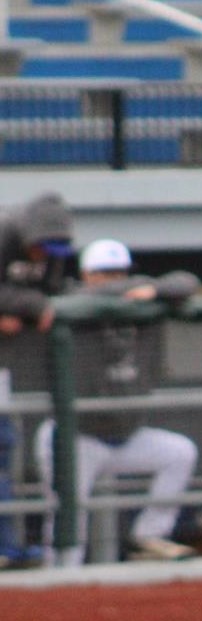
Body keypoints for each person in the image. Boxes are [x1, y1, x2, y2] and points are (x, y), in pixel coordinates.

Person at [34, 239, 200, 564]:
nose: (116, 280)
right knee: (69, 527)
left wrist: (154, 290)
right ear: (87, 275)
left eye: (121, 273)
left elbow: (187, 282)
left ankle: (149, 535)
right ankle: (60, 582)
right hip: (75, 437)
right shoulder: (73, 301)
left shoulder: (142, 302)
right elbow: (71, 300)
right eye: (106, 273)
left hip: (124, 436)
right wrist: (131, 290)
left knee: (180, 453)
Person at [0, 191, 75, 568]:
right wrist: (28, 305)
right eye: (41, 247)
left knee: (4, 447)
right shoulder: (4, 233)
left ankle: (6, 548)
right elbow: (35, 299)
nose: (43, 256)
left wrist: (26, 306)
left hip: (2, 364)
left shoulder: (51, 257)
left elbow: (53, 293)